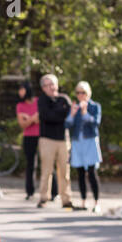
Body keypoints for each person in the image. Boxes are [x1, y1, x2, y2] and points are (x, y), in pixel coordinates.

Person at [37, 74, 75, 209]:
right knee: (47, 170)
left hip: (63, 139)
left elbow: (70, 117)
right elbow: (47, 116)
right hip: (47, 139)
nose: (50, 87)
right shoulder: (42, 100)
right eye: (47, 85)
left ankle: (66, 199)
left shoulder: (64, 99)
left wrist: (58, 114)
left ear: (57, 85)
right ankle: (43, 197)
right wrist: (60, 114)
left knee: (65, 171)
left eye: (52, 84)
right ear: (43, 88)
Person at [66, 81, 102, 212]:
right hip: (77, 142)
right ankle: (83, 202)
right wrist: (72, 114)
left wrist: (85, 113)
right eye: (78, 92)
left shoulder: (95, 106)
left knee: (92, 173)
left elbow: (95, 123)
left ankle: (97, 202)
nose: (80, 95)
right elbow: (67, 125)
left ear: (88, 93)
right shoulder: (74, 106)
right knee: (80, 173)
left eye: (83, 92)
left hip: (90, 142)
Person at [15, 81, 40, 201]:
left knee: (47, 163)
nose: (20, 92)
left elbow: (42, 119)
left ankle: (53, 191)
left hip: (42, 136)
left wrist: (28, 118)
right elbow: (22, 125)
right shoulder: (20, 105)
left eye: (22, 89)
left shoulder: (39, 101)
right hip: (29, 137)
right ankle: (30, 191)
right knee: (31, 164)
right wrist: (32, 118)